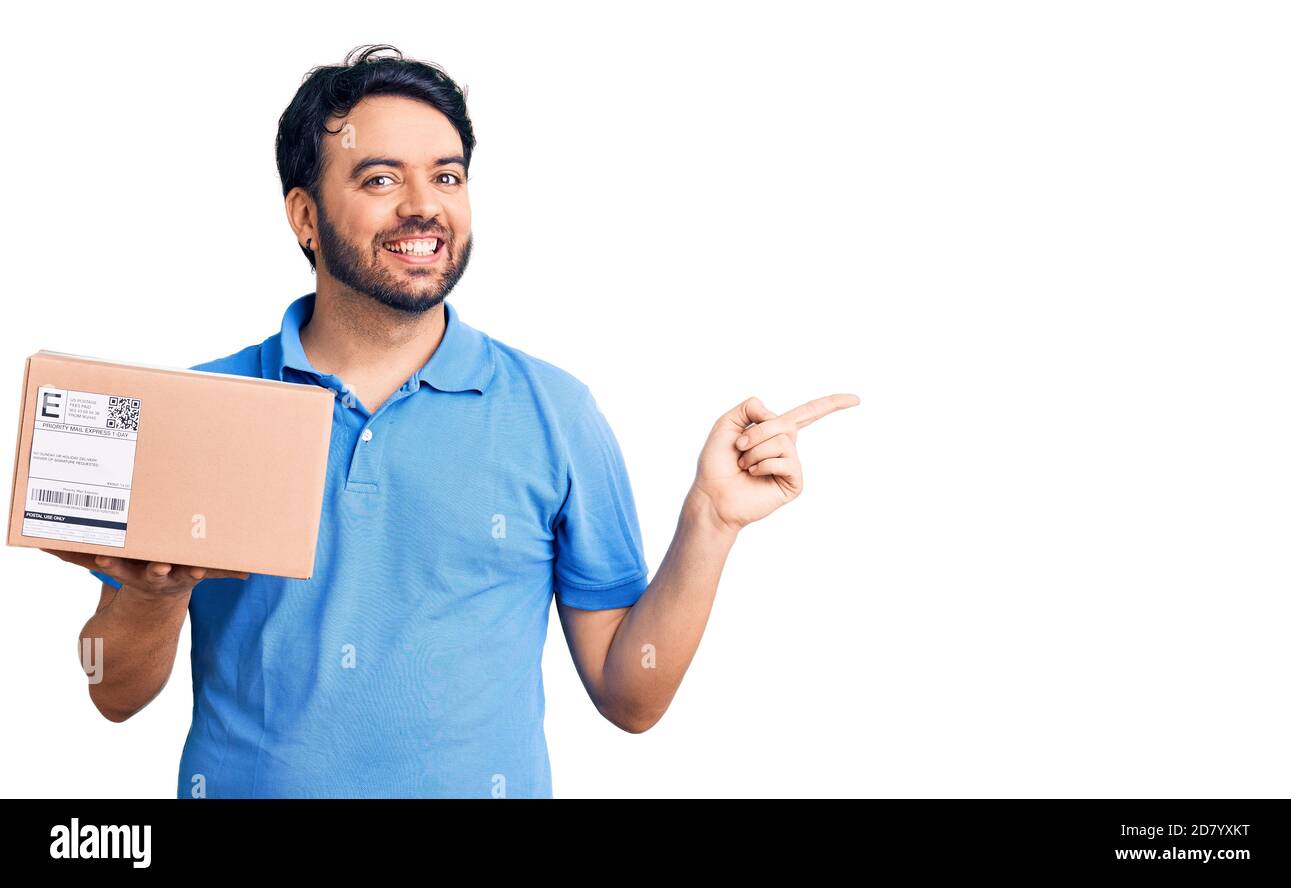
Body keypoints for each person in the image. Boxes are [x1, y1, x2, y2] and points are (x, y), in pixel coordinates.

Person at [46, 44, 858, 798]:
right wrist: (153, 595)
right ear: (303, 217)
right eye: (378, 180)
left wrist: (710, 522)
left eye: (448, 176)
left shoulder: (555, 411)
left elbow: (631, 694)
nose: (423, 208)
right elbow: (111, 696)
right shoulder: (206, 409)